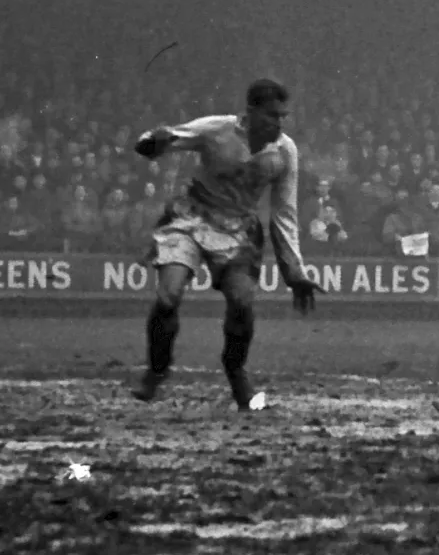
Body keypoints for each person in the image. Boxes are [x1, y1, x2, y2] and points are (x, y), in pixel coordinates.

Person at [131, 79, 319, 409]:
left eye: (282, 117)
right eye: (272, 116)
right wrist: (150, 142)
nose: (278, 123)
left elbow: (284, 212)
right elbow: (169, 138)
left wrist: (294, 272)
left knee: (242, 301)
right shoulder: (217, 129)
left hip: (238, 230)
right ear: (251, 112)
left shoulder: (285, 152)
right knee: (168, 295)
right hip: (191, 217)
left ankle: (237, 372)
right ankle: (156, 371)